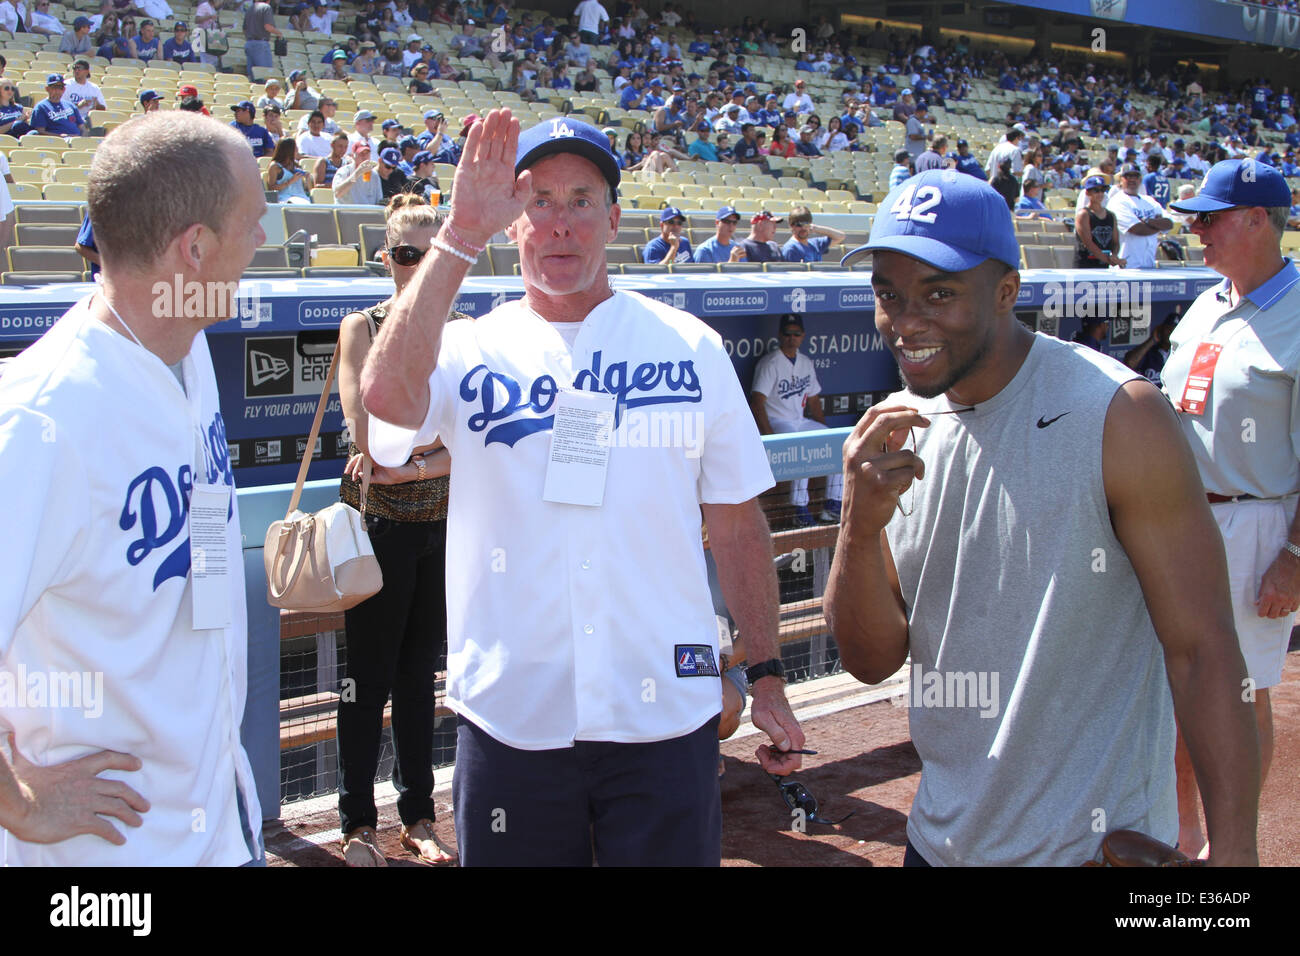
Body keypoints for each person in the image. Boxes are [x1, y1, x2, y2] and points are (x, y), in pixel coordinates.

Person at [358, 111, 805, 867]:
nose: (559, 225)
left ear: (615, 218)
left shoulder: (690, 345)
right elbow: (386, 405)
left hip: (662, 718)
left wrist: (764, 676)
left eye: (581, 200)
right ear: (510, 220)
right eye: (539, 201)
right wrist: (458, 235)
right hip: (512, 723)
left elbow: (736, 523)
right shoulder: (468, 346)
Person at [824, 169, 1260, 867]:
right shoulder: (900, 430)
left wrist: (1236, 854)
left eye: (939, 293)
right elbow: (871, 662)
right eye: (888, 296)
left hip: (1086, 852)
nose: (905, 321)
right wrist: (859, 526)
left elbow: (1204, 649)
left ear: (1005, 293)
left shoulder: (1119, 414)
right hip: (936, 844)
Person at [0, 111, 268, 866]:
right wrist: (19, 803)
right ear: (195, 248)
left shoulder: (188, 348)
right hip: (107, 864)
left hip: (215, 816)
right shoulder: (41, 416)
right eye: (251, 222)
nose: (262, 241)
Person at [1163, 158, 1300, 858]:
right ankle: (1184, 835)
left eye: (1209, 217)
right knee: (1178, 684)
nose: (1196, 229)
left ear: (1257, 221)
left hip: (1258, 521)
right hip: (1184, 520)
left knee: (1240, 691)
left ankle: (1233, 846)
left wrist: (1295, 558)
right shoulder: (1209, 300)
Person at [333, 194, 462, 867]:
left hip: (443, 532)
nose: (417, 268)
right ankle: (357, 823)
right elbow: (371, 436)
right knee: (365, 681)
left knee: (419, 681)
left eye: (430, 256)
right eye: (407, 255)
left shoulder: (463, 330)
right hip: (378, 533)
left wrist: (420, 466)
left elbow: (472, 443)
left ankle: (418, 817)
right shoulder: (363, 325)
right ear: (386, 259)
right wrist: (428, 459)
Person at [750, 315, 843, 526]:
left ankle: (833, 504)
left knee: (839, 443)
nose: (792, 338)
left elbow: (814, 400)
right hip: (778, 421)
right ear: (780, 335)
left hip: (799, 421)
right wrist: (769, 438)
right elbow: (757, 402)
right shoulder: (770, 363)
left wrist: (826, 432)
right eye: (787, 333)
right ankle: (799, 509)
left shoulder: (805, 363)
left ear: (803, 336)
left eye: (796, 334)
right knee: (802, 445)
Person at [1107, 163, 1173, 269]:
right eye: (1128, 176)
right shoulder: (1117, 201)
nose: (1132, 180)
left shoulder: (1150, 201)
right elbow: (1137, 229)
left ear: (1140, 179)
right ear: (1121, 179)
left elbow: (1169, 224)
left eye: (1135, 176)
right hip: (1126, 267)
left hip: (1149, 266)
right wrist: (1158, 226)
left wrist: (1149, 222)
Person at [1075, 175, 1122, 268]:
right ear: (1088, 193)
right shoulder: (1083, 215)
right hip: (1085, 266)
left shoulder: (1111, 216)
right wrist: (1110, 260)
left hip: (1104, 266)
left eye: (1102, 190)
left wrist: (1114, 256)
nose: (1100, 193)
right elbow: (1088, 244)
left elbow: (1115, 242)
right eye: (1096, 190)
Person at [1124, 313, 1177, 387]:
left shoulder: (1181, 355)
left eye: (1175, 330)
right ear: (1161, 329)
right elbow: (1129, 363)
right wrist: (1153, 339)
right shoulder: (1149, 352)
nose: (1171, 332)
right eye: (1168, 329)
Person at [332, 140, 382, 205]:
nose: (364, 156)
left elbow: (379, 199)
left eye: (367, 153)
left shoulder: (374, 175)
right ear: (353, 156)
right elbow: (337, 193)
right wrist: (357, 173)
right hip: (347, 212)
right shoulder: (344, 171)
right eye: (361, 153)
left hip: (368, 212)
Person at [265, 137, 312, 203]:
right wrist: (289, 182)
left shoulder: (296, 164)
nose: (297, 150)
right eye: (295, 148)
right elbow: (271, 188)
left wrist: (307, 180)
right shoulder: (275, 166)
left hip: (301, 197)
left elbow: (307, 190)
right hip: (285, 198)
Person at [243, 0, 281, 79]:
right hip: (260, 45)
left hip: (249, 43)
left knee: (252, 77)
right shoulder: (266, 7)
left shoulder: (250, 8)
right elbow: (268, 26)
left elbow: (244, 29)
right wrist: (279, 33)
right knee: (265, 76)